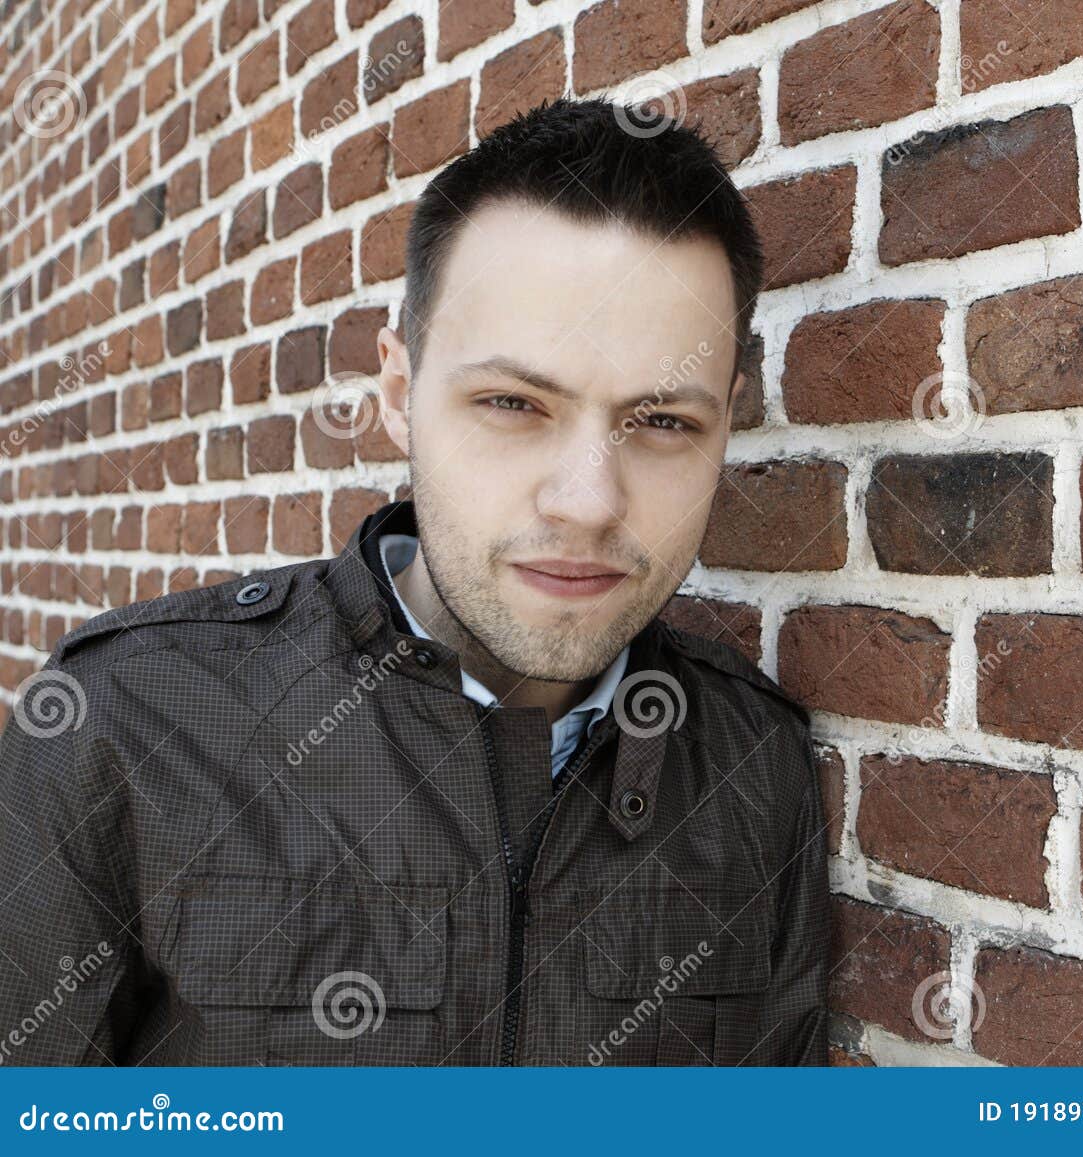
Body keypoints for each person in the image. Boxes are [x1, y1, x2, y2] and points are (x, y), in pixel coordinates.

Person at [0, 97, 829, 1066]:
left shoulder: (753, 762)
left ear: (727, 422)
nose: (587, 502)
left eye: (662, 422)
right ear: (399, 393)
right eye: (513, 402)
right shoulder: (130, 720)